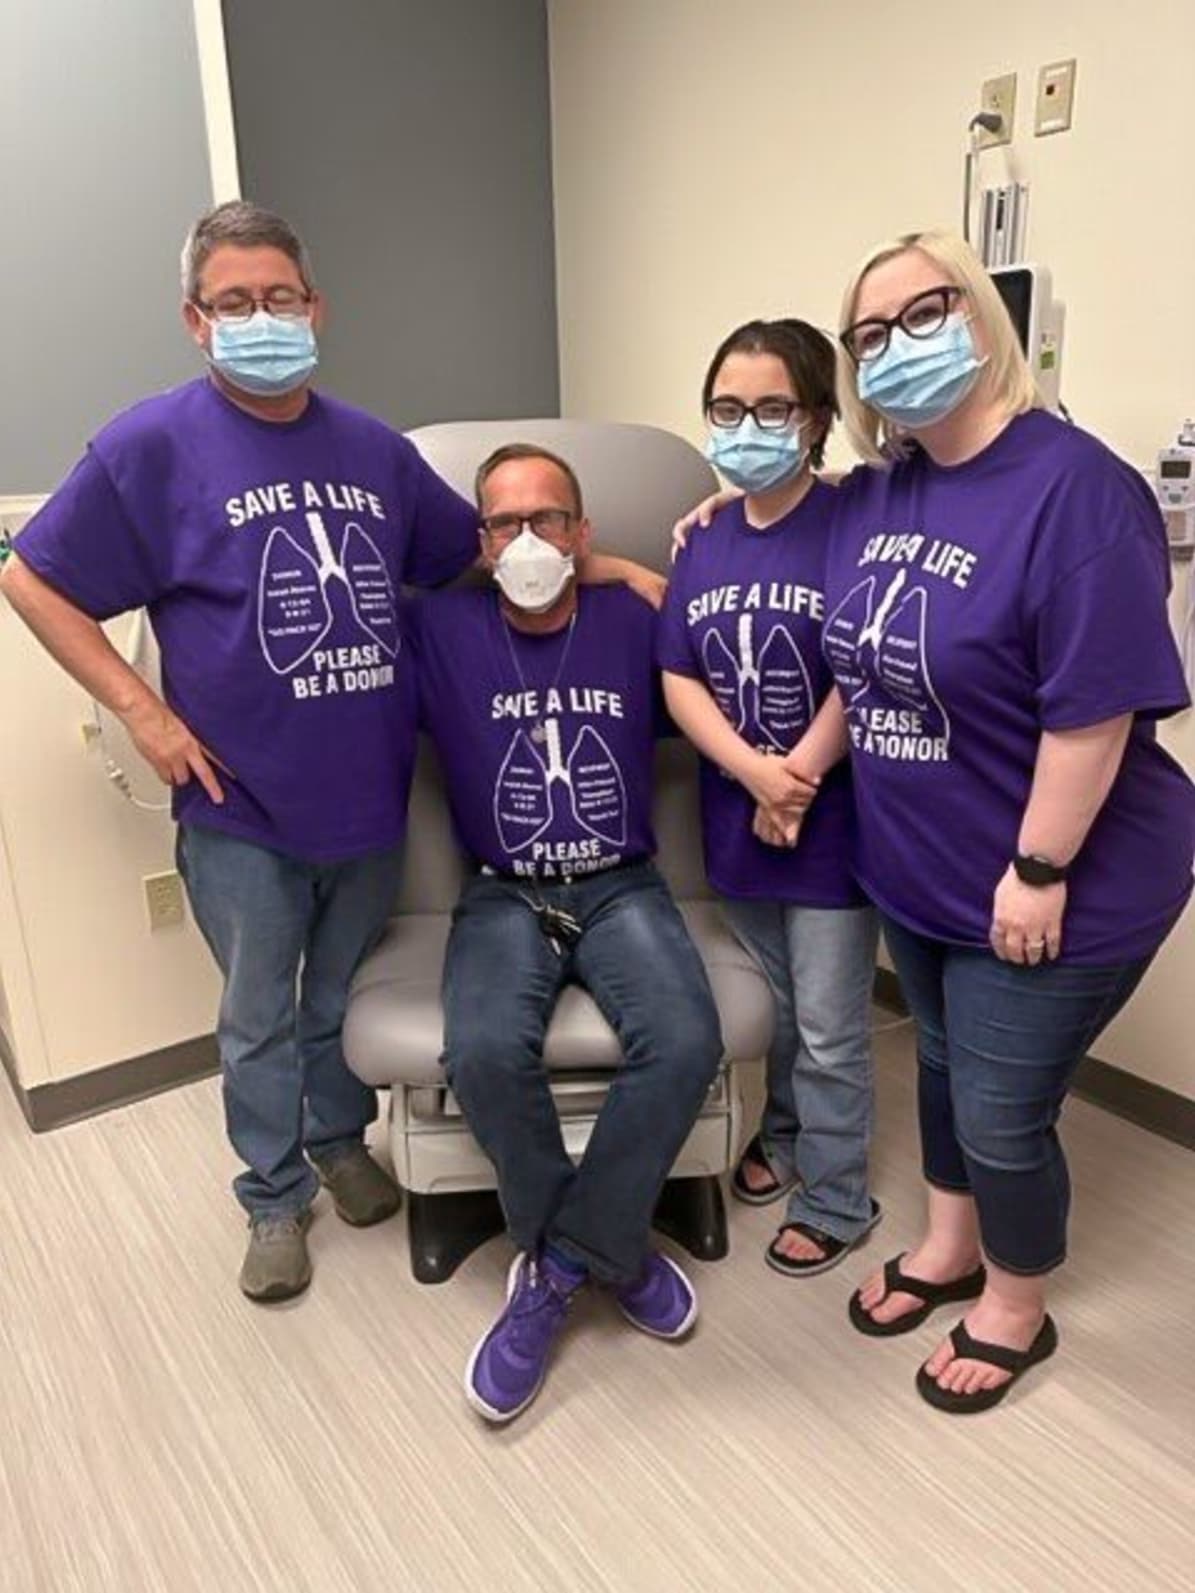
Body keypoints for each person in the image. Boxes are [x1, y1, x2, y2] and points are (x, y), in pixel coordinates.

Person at [1, 201, 657, 1305]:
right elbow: (30, 577)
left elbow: (501, 554)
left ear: (317, 308)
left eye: (282, 298)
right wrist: (141, 712)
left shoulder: (373, 449)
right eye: (235, 303)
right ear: (196, 321)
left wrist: (622, 572)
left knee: (335, 997)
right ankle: (270, 1196)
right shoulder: (148, 445)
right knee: (257, 1009)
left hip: (366, 796)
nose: (263, 318)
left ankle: (338, 1140)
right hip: (242, 804)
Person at [824, 229, 1195, 1411]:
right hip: (922, 868)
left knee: (1000, 1108)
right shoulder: (880, 491)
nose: (894, 347)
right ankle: (947, 1247)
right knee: (937, 1067)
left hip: (1058, 878)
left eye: (920, 314)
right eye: (869, 335)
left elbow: (1091, 716)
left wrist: (1036, 866)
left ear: (981, 318)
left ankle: (1015, 1305)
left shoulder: (1079, 491)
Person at [411, 443, 724, 1424]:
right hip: (504, 893)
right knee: (481, 1052)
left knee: (684, 1041)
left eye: (549, 520)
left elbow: (712, 629)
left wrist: (625, 570)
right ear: (482, 541)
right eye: (506, 523)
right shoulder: (442, 626)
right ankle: (607, 1252)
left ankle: (557, 1265)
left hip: (623, 883)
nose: (528, 540)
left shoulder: (631, 617)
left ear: (581, 533)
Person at [658, 319, 880, 1277]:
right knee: (786, 1006)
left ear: (817, 417)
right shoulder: (703, 537)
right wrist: (753, 776)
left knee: (832, 1022)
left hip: (831, 825)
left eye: (772, 409)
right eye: (726, 409)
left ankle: (835, 1194)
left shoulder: (855, 517)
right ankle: (784, 1134)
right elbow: (679, 675)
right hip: (738, 820)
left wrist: (796, 777)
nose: (746, 427)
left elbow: (865, 659)